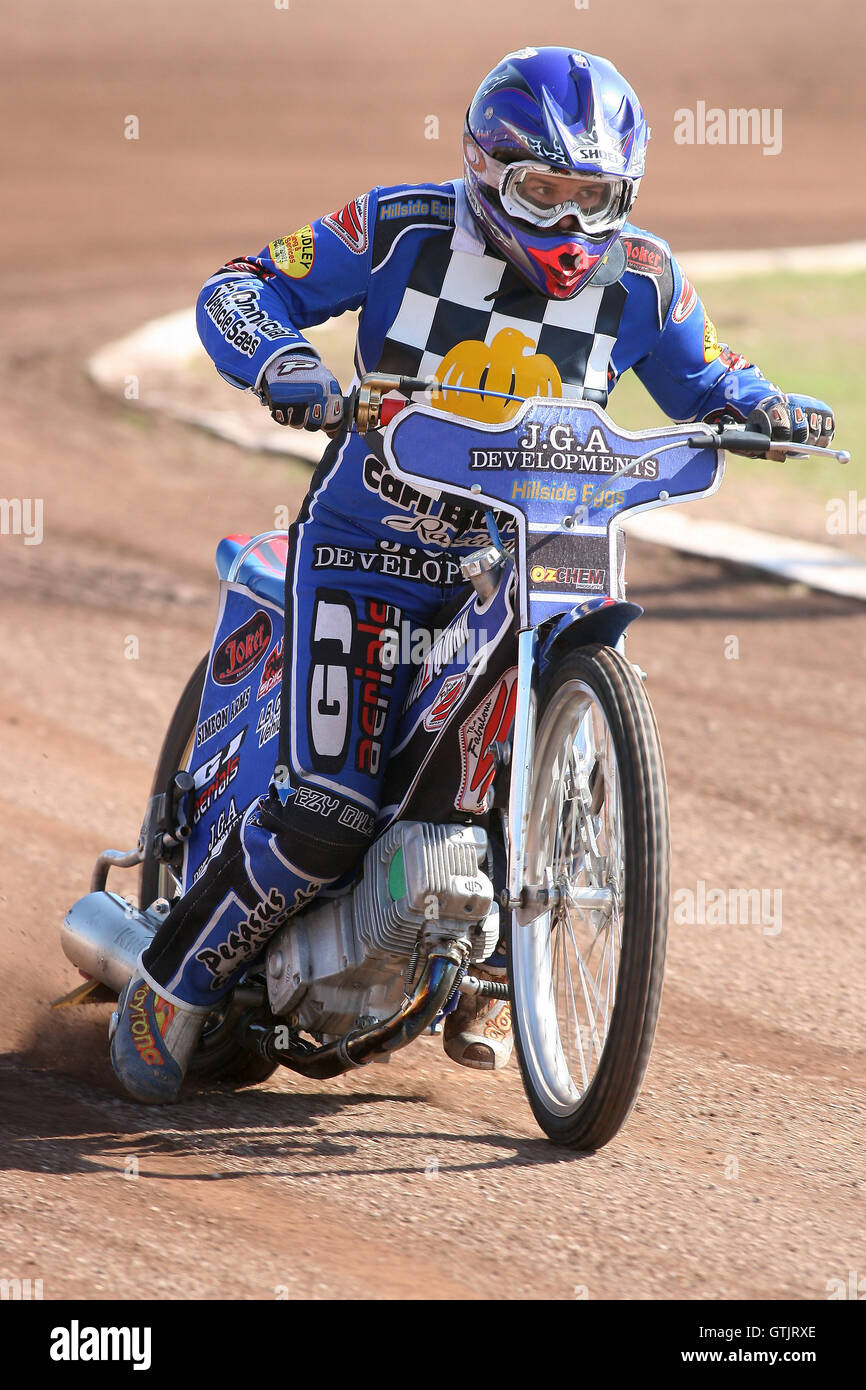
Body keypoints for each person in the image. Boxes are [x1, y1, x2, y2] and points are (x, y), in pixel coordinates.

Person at [110, 46, 834, 1102]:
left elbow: (707, 375)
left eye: (599, 197)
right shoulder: (398, 226)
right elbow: (240, 287)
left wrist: (763, 406)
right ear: (486, 169)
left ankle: (491, 955)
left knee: (525, 706)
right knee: (327, 810)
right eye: (547, 189)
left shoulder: (643, 278)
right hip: (373, 555)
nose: (575, 223)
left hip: (529, 557)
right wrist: (287, 365)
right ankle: (170, 982)